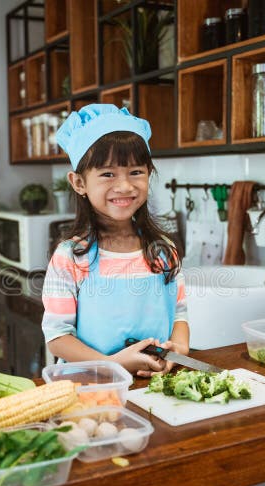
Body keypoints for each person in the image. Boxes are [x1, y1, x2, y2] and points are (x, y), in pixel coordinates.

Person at [41, 104, 189, 377]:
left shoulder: (164, 251)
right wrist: (113, 366)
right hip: (92, 387)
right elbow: (58, 337)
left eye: (136, 172)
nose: (124, 186)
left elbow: (179, 314)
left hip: (155, 386)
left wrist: (178, 350)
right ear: (78, 183)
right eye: (108, 174)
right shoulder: (71, 257)